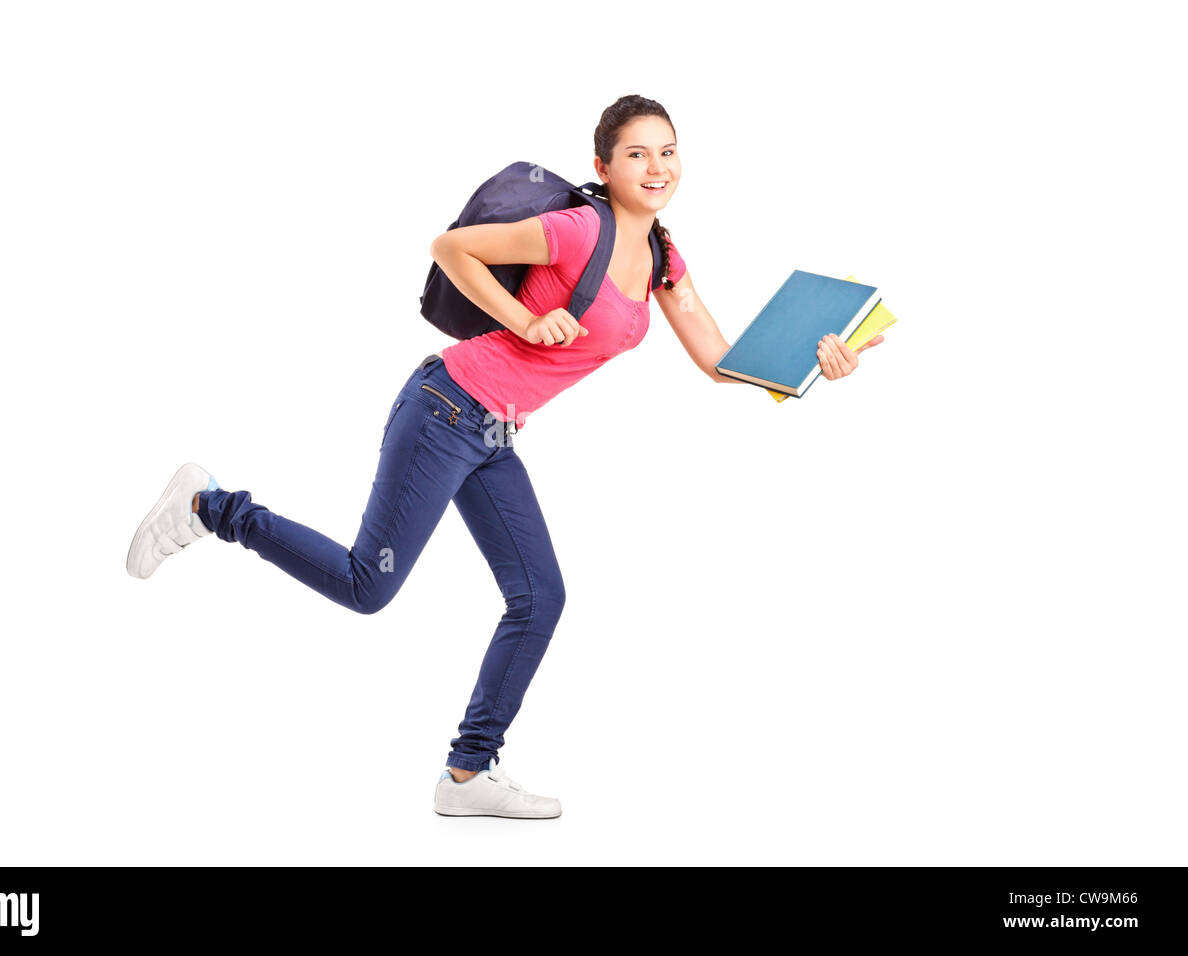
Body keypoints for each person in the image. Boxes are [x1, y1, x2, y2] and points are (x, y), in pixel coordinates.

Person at [124, 94, 885, 820]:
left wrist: (822, 357)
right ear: (604, 163)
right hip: (445, 407)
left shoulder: (662, 258)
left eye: (669, 152)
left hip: (492, 434)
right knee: (366, 587)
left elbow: (722, 362)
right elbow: (450, 249)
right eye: (637, 154)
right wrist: (527, 317)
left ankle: (466, 773)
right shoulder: (576, 232)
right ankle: (210, 507)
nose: (657, 167)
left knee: (539, 597)